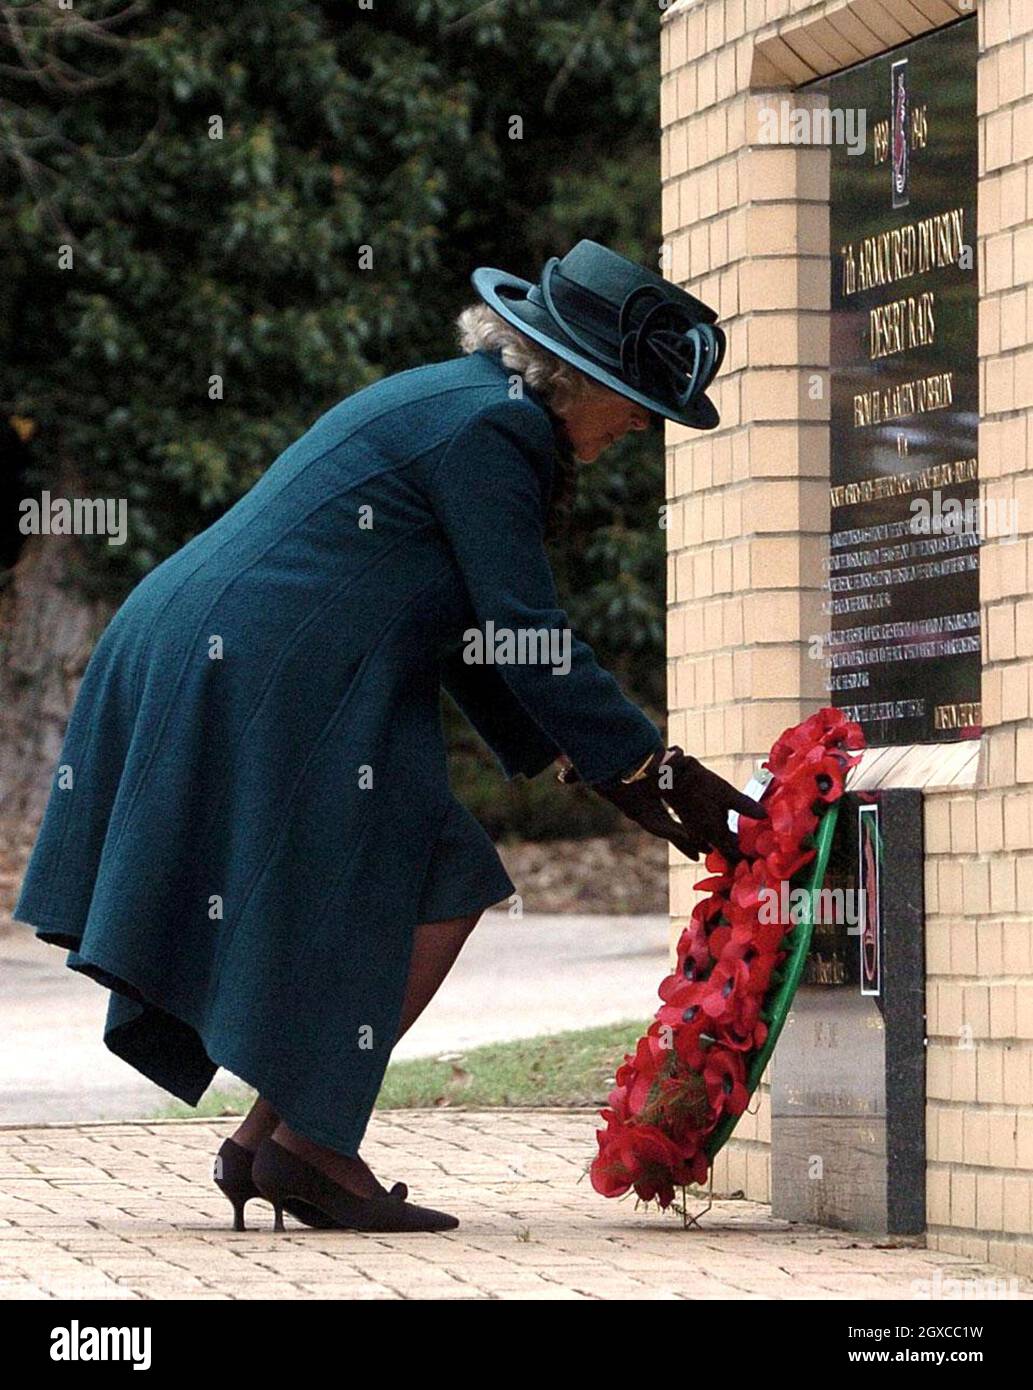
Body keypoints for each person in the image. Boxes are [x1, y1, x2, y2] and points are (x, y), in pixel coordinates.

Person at [14, 239, 765, 1233]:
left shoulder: (468, 404)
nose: (639, 425)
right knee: (439, 878)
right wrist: (648, 768)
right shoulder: (495, 428)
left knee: (435, 873)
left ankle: (275, 1144)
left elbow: (477, 633)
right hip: (256, 661)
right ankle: (308, 1150)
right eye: (634, 402)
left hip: (226, 647)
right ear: (575, 376)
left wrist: (598, 764)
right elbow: (525, 631)